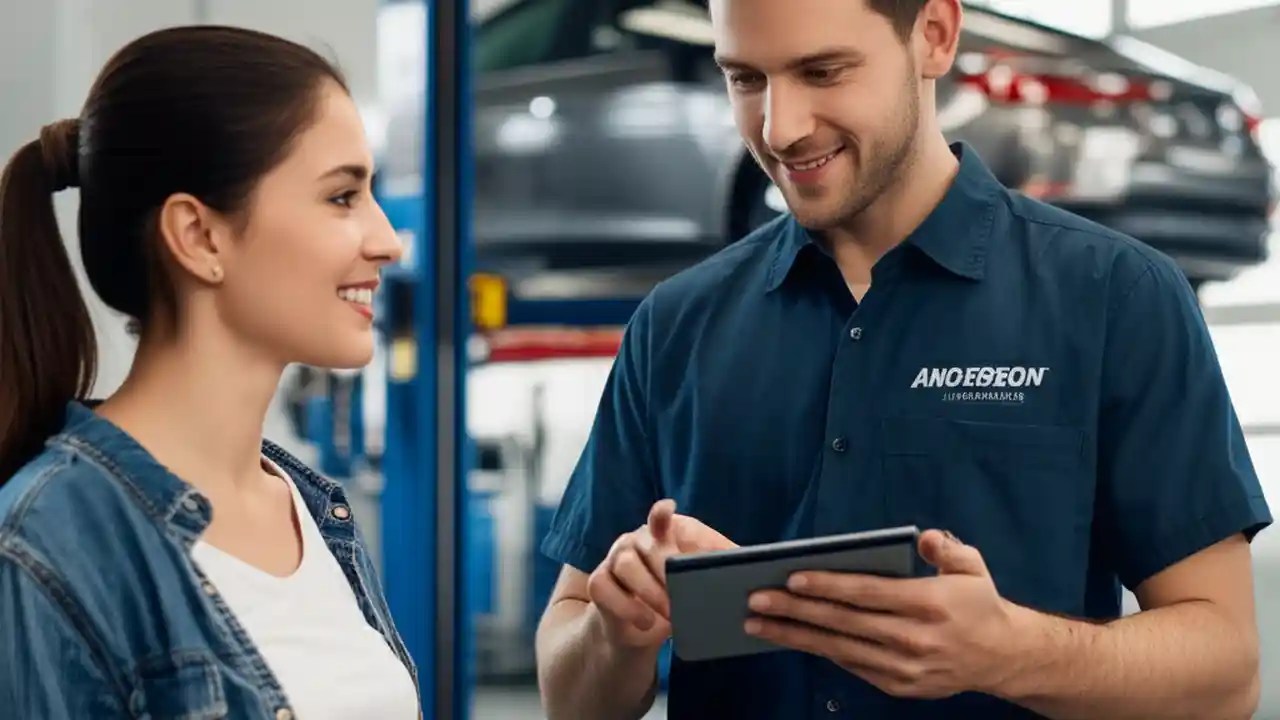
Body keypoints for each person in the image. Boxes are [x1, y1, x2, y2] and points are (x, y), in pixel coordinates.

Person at [534, 0, 1272, 718]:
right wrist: (615, 630)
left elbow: (1224, 673)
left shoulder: (1115, 297)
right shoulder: (675, 325)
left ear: (934, 35)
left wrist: (1012, 652)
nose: (779, 128)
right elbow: (569, 696)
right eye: (745, 79)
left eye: (823, 71)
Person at [0, 26, 419, 720]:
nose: (385, 240)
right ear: (199, 236)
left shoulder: (314, 511)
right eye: (343, 197)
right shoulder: (44, 546)